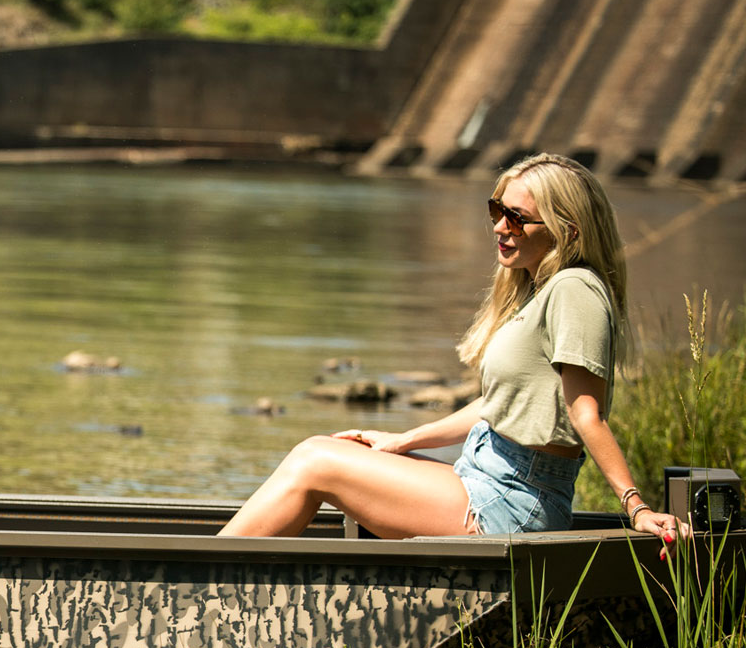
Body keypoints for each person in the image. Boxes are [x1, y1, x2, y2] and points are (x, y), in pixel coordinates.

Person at [219, 153, 688, 555]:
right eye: (496, 210)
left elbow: (586, 414)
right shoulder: (538, 290)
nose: (500, 227)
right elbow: (499, 403)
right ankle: (211, 573)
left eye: (518, 218)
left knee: (315, 460)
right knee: (328, 451)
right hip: (483, 477)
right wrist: (403, 440)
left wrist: (636, 507)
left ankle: (196, 578)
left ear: (568, 230)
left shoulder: (575, 289)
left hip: (510, 504)